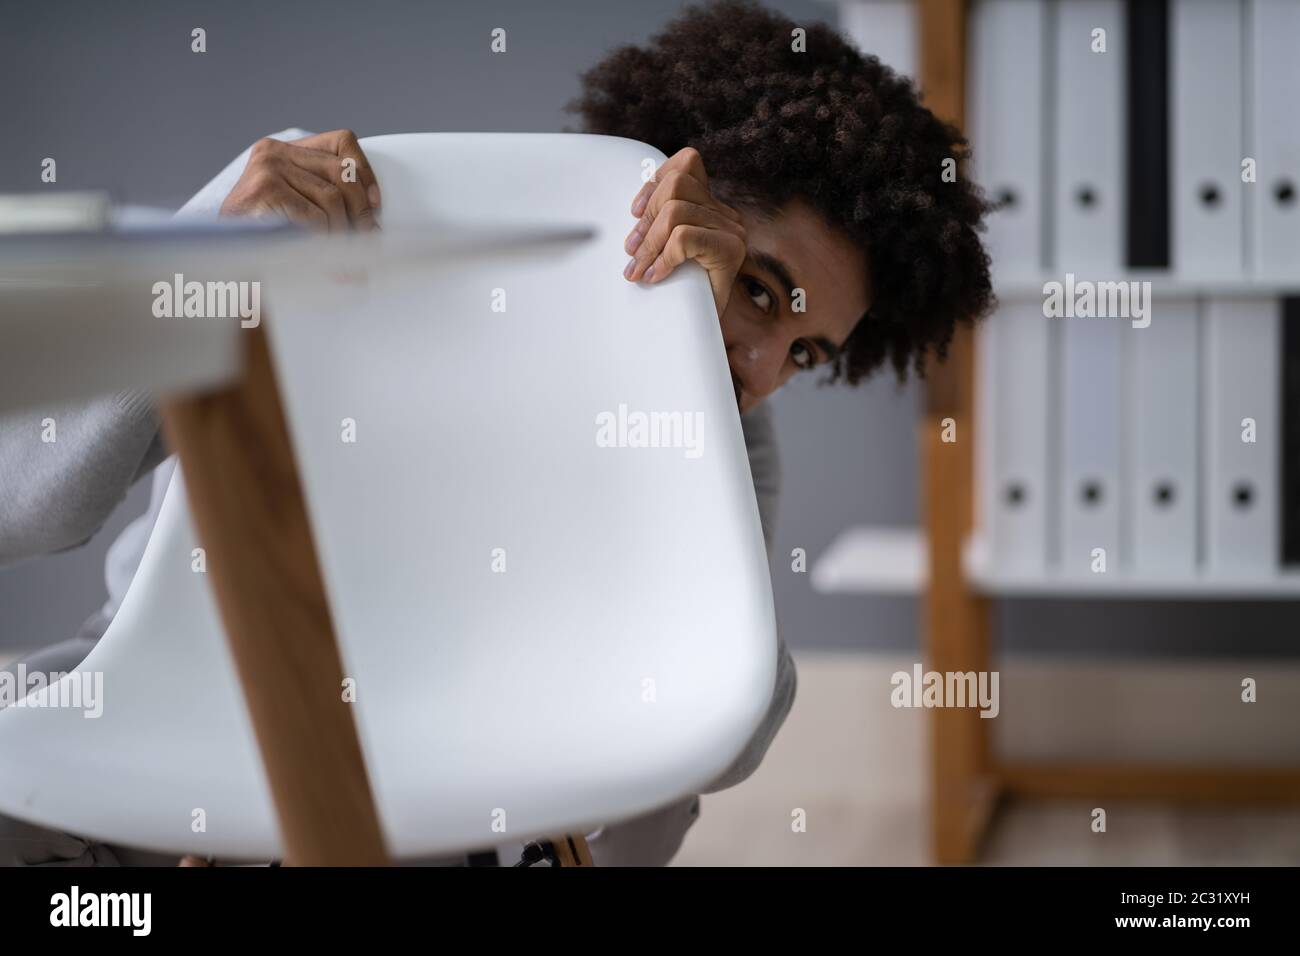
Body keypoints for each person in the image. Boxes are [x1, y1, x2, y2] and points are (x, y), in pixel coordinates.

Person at [0, 0, 991, 866]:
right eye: (764, 293)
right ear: (656, 201)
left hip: (484, 818)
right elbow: (27, 504)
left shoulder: (724, 426)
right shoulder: (321, 239)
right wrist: (207, 250)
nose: (767, 369)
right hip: (150, 757)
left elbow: (725, 719)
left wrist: (676, 438)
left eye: (808, 354)